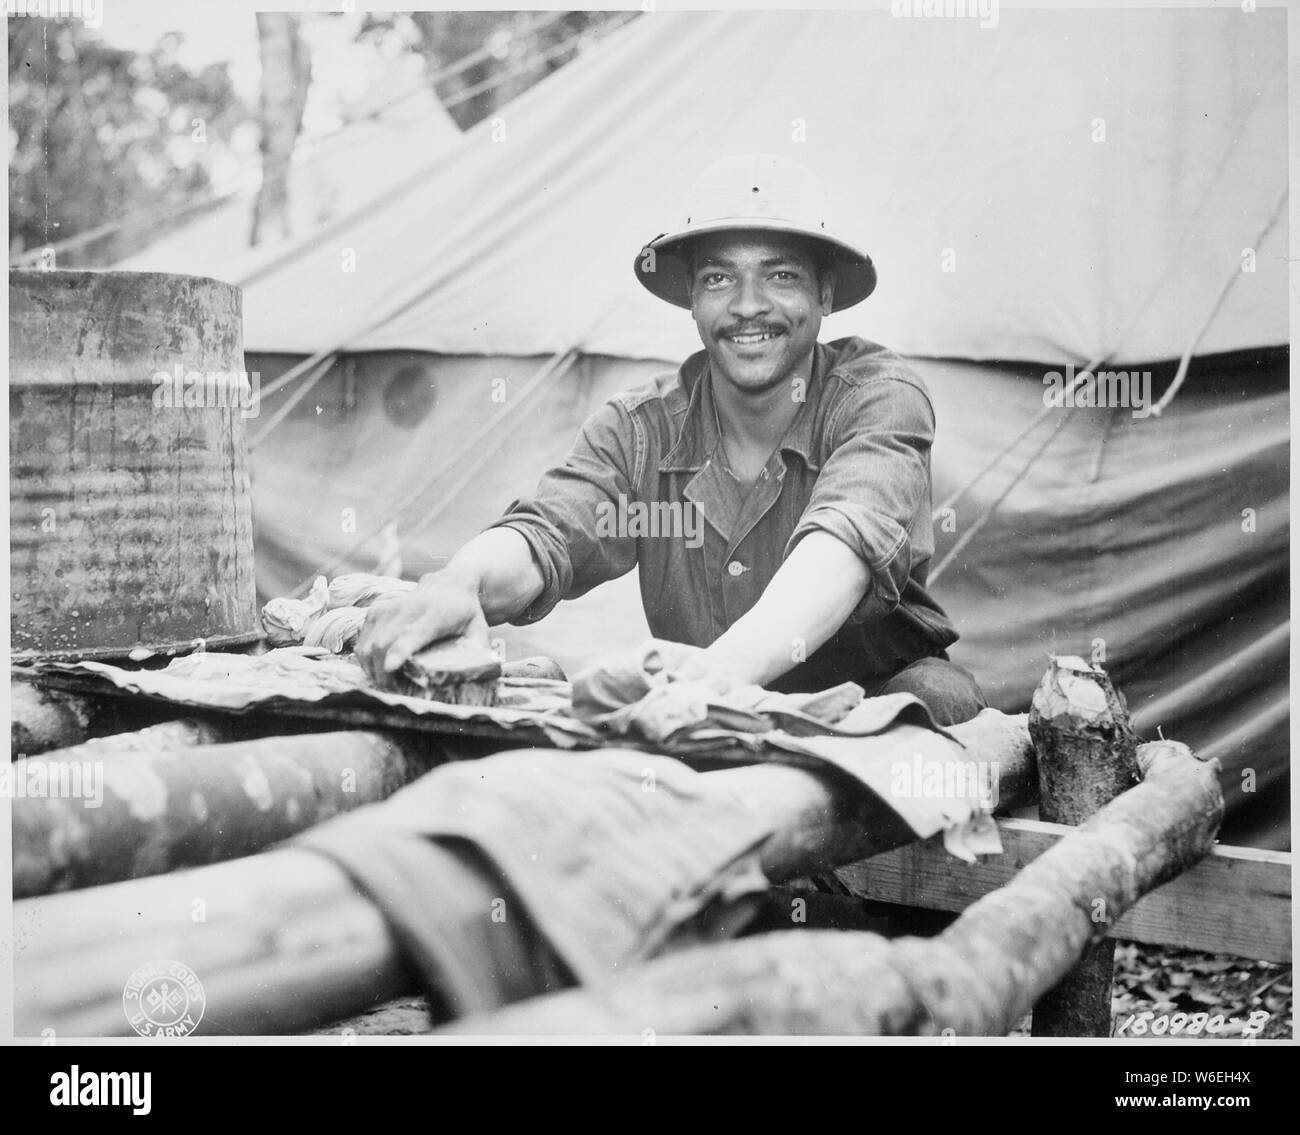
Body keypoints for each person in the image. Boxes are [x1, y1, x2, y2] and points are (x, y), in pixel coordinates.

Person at [357, 153, 985, 725]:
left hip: (871, 699)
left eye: (781, 276)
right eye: (718, 279)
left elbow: (844, 545)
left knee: (933, 707)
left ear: (824, 294)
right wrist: (460, 581)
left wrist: (713, 678)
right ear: (690, 298)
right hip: (705, 711)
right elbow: (553, 529)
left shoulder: (876, 397)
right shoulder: (640, 428)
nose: (747, 306)